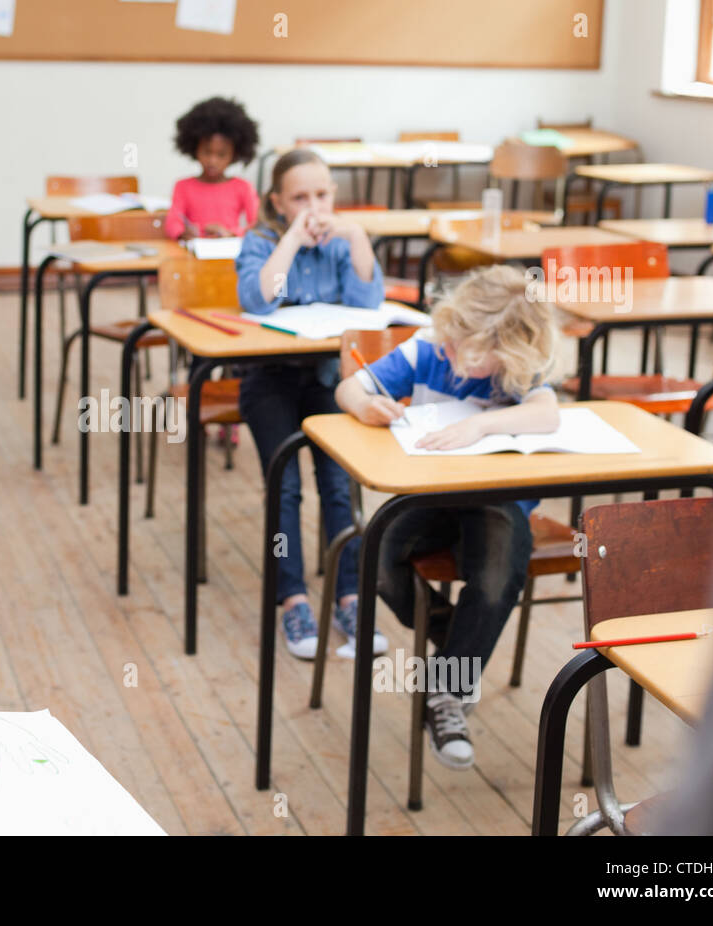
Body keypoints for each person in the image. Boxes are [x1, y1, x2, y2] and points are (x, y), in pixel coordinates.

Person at [336, 264, 560, 769]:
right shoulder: (431, 346)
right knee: (377, 556)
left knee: (498, 573)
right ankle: (463, 642)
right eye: (454, 344)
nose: (454, 356)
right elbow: (348, 388)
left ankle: (446, 693)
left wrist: (483, 426)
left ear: (509, 352)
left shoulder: (518, 371)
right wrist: (365, 405)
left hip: (496, 500)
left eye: (469, 353)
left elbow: (547, 415)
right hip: (428, 494)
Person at [236, 147, 386, 661]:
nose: (313, 206)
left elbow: (368, 306)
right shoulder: (261, 242)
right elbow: (259, 299)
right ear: (276, 202)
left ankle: (350, 596)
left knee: (338, 485)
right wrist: (292, 239)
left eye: (322, 195)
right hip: (270, 382)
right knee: (287, 489)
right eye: (299, 198)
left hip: (326, 381)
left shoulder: (342, 245)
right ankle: (293, 599)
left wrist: (358, 236)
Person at [164, 96, 261, 241]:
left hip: (229, 253)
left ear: (234, 155)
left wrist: (231, 233)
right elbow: (172, 221)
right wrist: (182, 232)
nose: (212, 161)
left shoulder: (243, 187)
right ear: (195, 150)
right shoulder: (183, 186)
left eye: (221, 155)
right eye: (207, 152)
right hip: (193, 254)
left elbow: (257, 224)